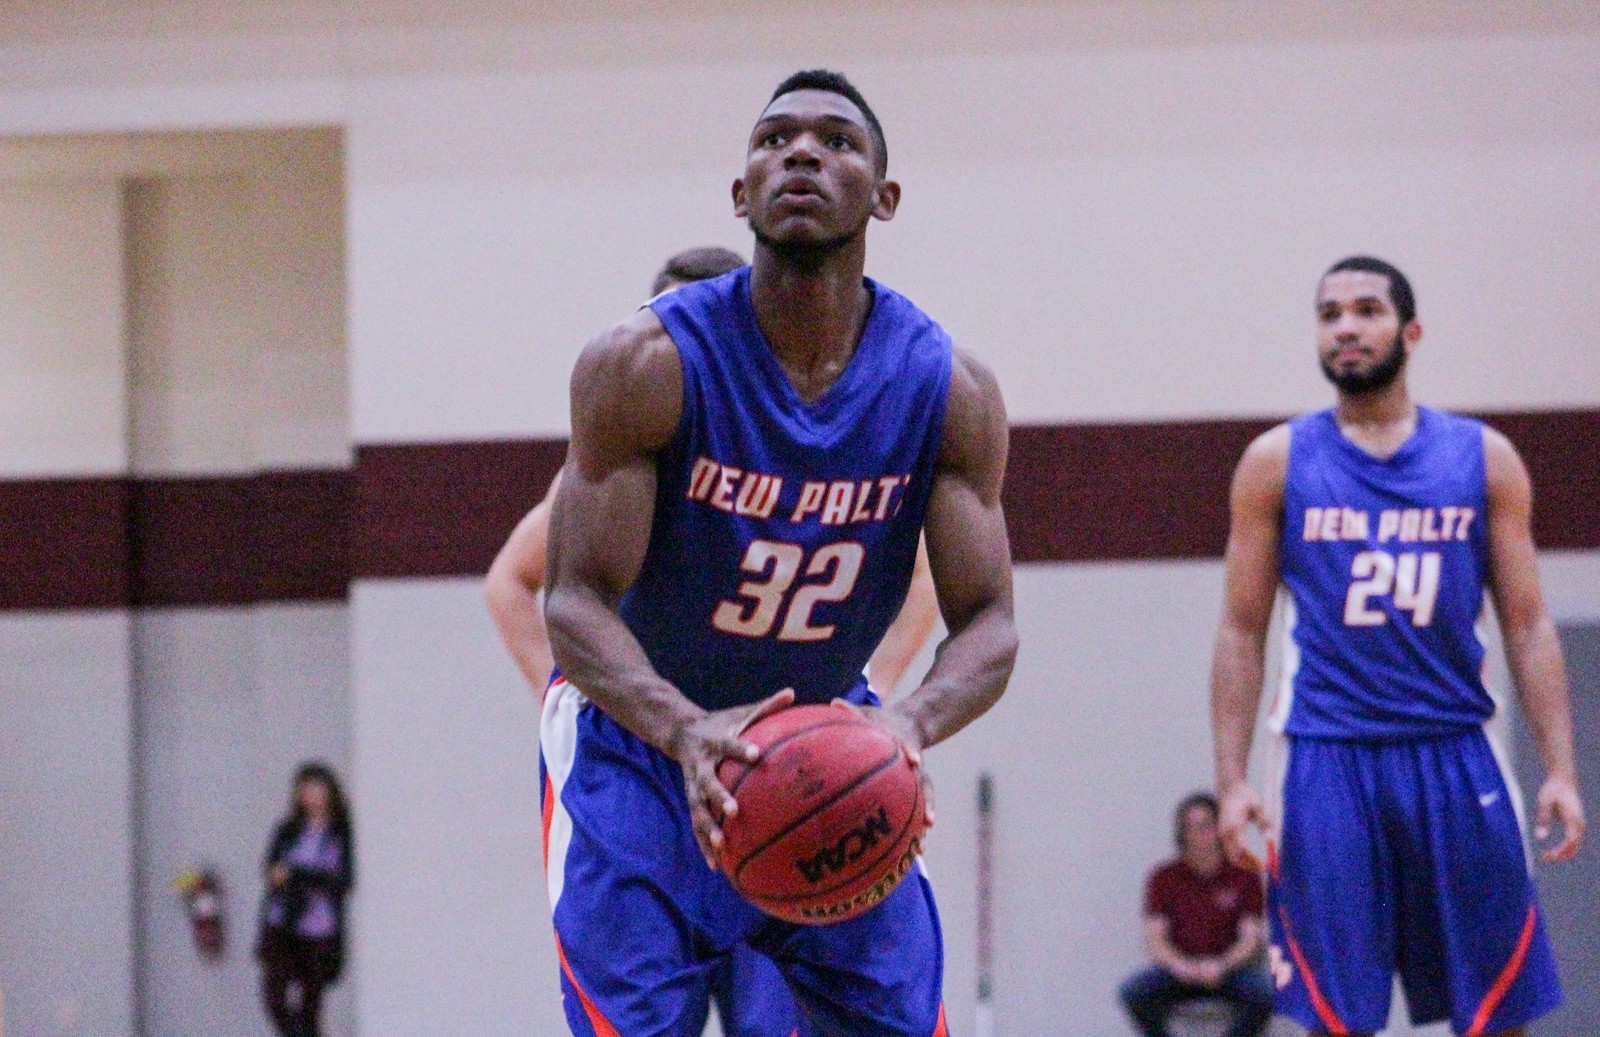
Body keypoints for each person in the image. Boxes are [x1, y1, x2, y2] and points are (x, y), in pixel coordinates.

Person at [539, 69, 1016, 1037]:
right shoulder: (645, 365)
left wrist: (911, 724)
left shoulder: (945, 386)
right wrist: (682, 729)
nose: (800, 152)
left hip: (831, 748)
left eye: (836, 140)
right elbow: (572, 603)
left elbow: (991, 624)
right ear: (740, 191)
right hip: (640, 755)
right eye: (774, 139)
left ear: (884, 196)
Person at [489, 243, 931, 1037]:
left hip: (780, 769)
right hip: (641, 763)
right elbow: (518, 585)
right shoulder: (615, 443)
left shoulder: (816, 441)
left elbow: (925, 575)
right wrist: (573, 699)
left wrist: (864, 712)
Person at [1210, 256, 1587, 1037]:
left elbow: (1528, 623)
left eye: (1367, 309)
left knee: (1496, 1006)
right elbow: (1242, 629)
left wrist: (1560, 767)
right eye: (1330, 313)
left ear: (1409, 331)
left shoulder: (1484, 459)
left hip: (1455, 747)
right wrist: (1232, 778)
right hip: (1328, 757)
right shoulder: (1275, 463)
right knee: (1337, 1016)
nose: (1346, 326)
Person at [1119, 792, 1274, 1037]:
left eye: (1204, 826)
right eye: (1189, 827)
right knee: (1133, 992)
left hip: (1229, 971)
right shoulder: (1163, 877)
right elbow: (1155, 939)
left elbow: (1250, 939)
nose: (1197, 835)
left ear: (1219, 828)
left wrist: (1220, 966)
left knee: (1267, 994)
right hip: (1180, 972)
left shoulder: (1244, 876)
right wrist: (1181, 966)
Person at [256, 762, 355, 1037]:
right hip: (285, 919)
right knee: (274, 996)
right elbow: (272, 867)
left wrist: (297, 875)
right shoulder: (288, 829)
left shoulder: (339, 833)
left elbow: (340, 879)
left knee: (310, 1005)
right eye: (305, 788)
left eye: (317, 787)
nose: (311, 795)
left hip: (319, 927)